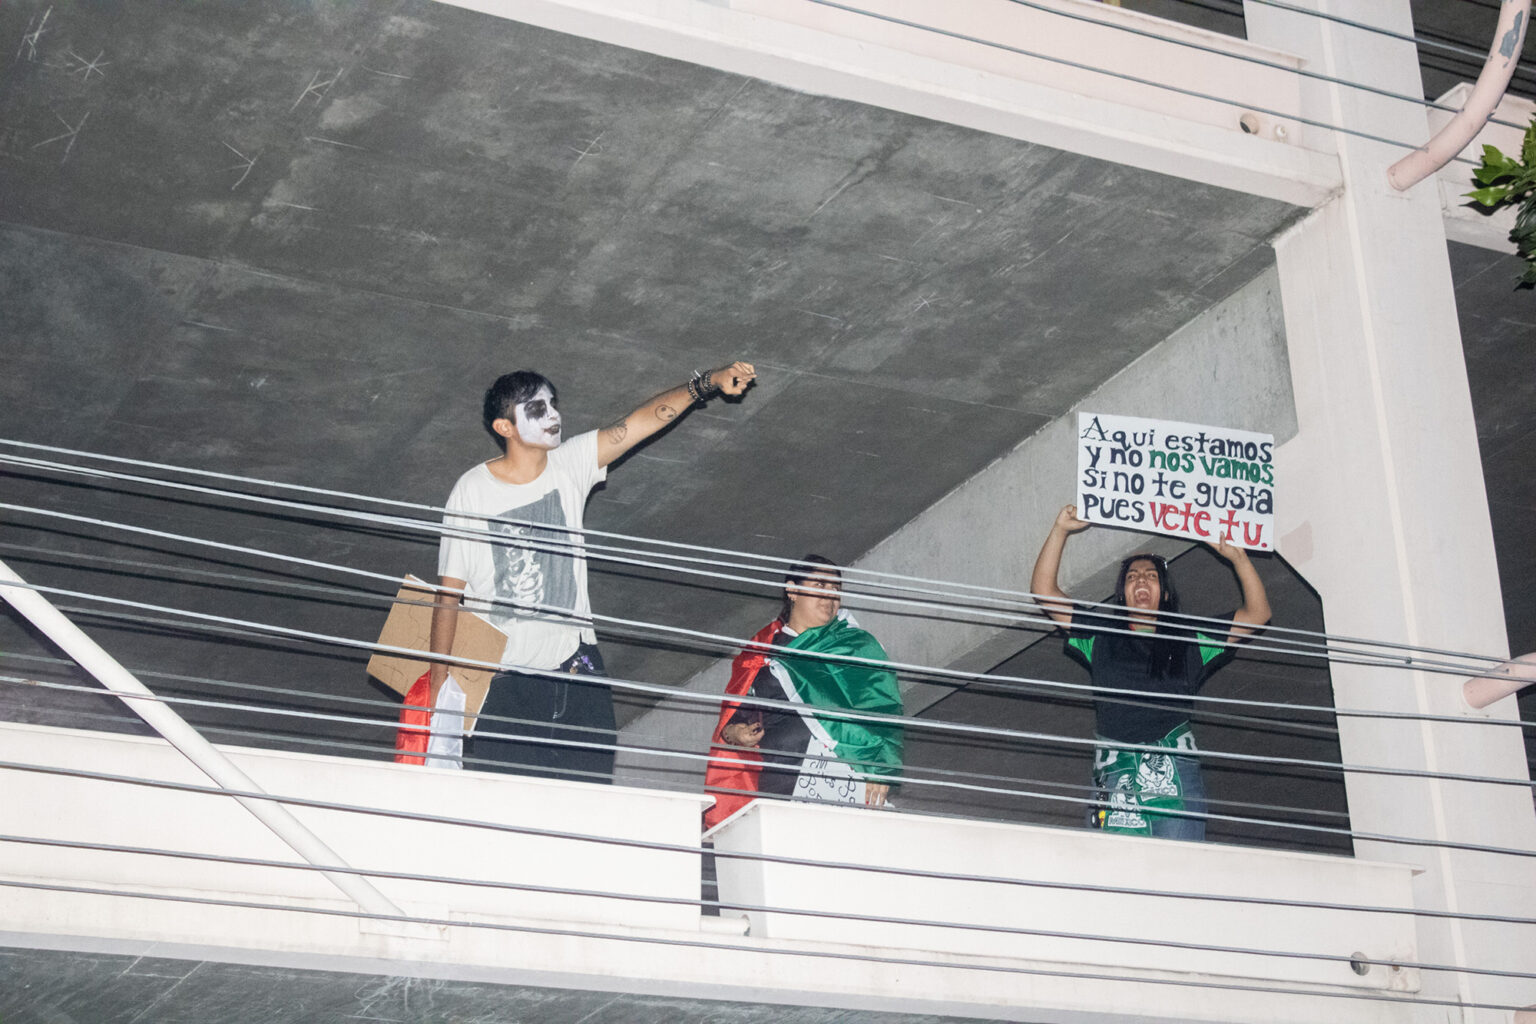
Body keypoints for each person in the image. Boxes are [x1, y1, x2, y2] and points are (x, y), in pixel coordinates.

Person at [429, 361, 756, 782]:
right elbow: (448, 596)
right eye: (536, 409)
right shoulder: (473, 491)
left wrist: (706, 383)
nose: (553, 416)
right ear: (504, 426)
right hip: (508, 687)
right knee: (512, 811)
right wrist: (438, 688)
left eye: (553, 404)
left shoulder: (569, 463)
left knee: (590, 801)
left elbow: (637, 424)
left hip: (579, 672)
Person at [1031, 504, 1271, 840]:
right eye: (1132, 577)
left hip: (1173, 771)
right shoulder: (1100, 634)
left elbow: (1257, 614)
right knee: (1114, 880)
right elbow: (1044, 590)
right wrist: (1060, 530)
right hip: (1115, 774)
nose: (1141, 580)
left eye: (1150, 576)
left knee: (1175, 876)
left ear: (1165, 592)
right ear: (1123, 594)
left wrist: (1239, 558)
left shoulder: (1188, 638)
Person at [703, 556, 904, 828]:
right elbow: (735, 719)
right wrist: (734, 734)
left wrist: (880, 769)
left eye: (836, 589)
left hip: (849, 781)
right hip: (781, 789)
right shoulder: (762, 651)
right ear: (793, 590)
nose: (830, 596)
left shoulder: (857, 646)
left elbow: (883, 709)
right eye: (820, 585)